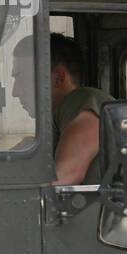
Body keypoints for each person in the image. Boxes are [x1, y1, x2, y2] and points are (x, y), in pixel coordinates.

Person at [48, 33, 112, 186]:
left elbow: (66, 175)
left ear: (59, 78)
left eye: (22, 77)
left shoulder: (82, 99)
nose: (15, 91)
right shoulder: (59, 117)